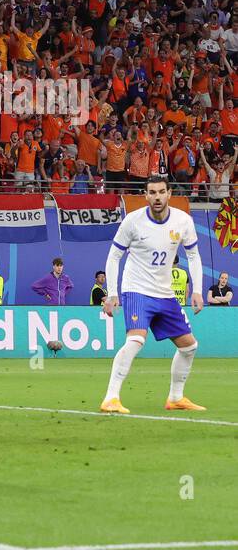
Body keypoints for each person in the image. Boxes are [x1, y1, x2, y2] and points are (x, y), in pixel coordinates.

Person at [100, 175, 206, 414]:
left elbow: (194, 256)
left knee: (189, 347)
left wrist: (197, 290)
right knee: (136, 340)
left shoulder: (183, 221)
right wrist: (113, 293)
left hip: (164, 293)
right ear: (146, 196)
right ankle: (111, 398)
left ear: (169, 194)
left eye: (161, 192)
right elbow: (114, 256)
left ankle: (176, 398)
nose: (157, 197)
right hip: (136, 289)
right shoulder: (132, 221)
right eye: (152, 192)